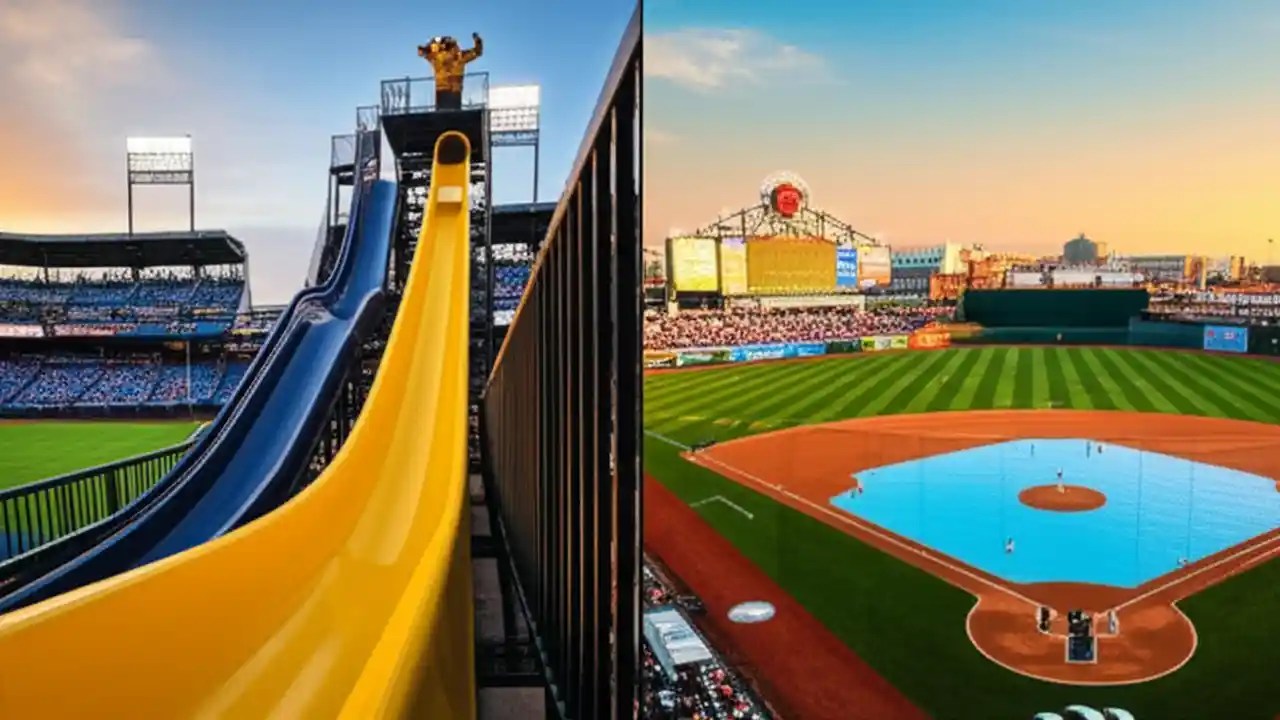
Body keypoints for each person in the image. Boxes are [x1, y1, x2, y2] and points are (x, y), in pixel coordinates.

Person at [418, 32, 484, 110]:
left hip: (447, 90)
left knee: (445, 113)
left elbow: (422, 53)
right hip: (449, 90)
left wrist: (426, 48)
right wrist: (478, 41)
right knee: (451, 113)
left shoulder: (437, 57)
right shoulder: (457, 56)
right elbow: (477, 52)